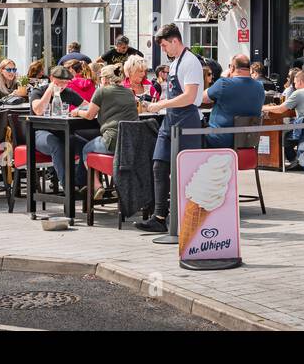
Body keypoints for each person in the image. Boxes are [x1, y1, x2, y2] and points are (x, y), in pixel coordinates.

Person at [135, 24, 205, 234]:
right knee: (159, 165)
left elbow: (190, 97)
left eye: (165, 45)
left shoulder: (191, 62)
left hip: (186, 120)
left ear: (175, 41)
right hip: (170, 120)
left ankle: (188, 216)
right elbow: (175, 94)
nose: (164, 50)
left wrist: (161, 105)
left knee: (187, 171)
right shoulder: (174, 63)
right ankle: (159, 217)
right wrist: (156, 102)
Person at [265, 69, 304, 171]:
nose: (294, 85)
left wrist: (264, 108)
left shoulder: (298, 93)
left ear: (300, 82)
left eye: (295, 83)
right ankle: (299, 160)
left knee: (282, 136)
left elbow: (280, 109)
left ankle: (295, 160)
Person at [79, 63, 137, 162]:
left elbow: (89, 115)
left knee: (86, 149)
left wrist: (77, 112)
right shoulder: (130, 92)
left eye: (101, 77)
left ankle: (94, 178)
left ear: (105, 79)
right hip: (132, 142)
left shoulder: (102, 91)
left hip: (113, 142)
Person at [204, 55, 265, 148]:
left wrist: (222, 77)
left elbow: (202, 98)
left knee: (194, 135)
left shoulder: (223, 83)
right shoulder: (260, 87)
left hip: (219, 140)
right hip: (247, 142)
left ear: (232, 67)